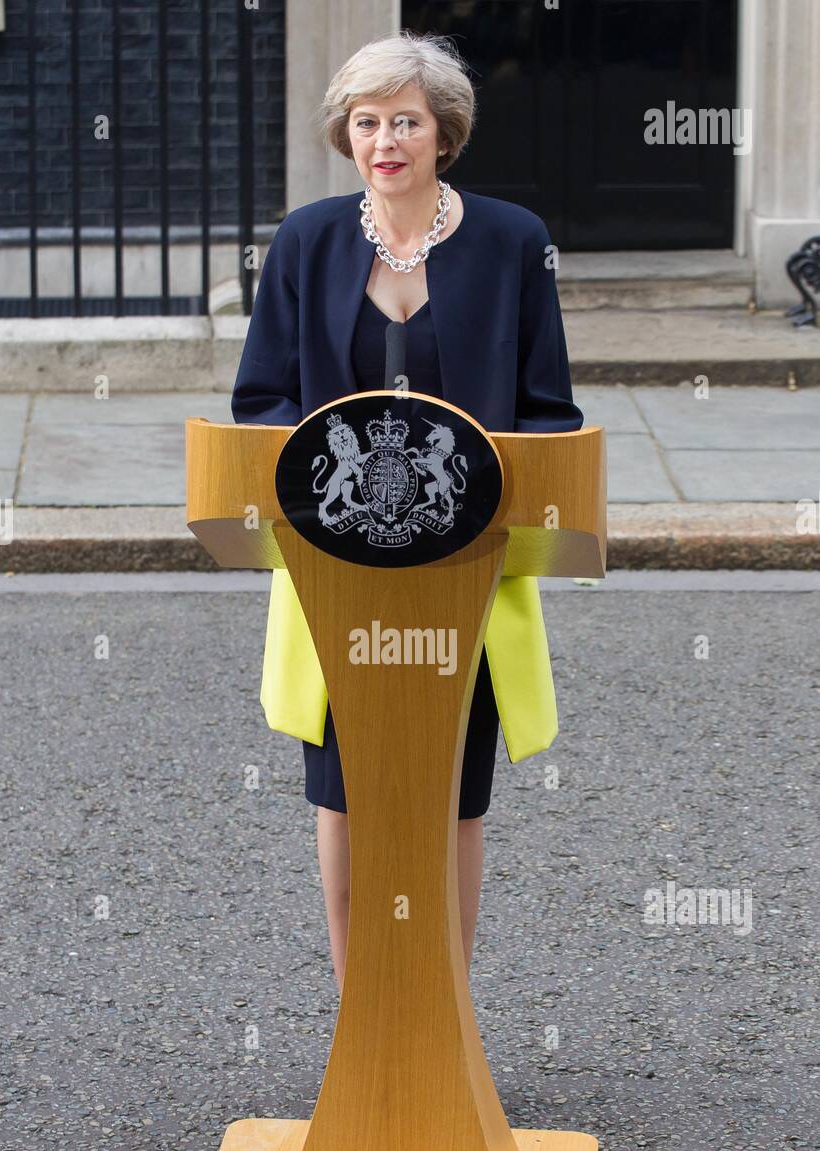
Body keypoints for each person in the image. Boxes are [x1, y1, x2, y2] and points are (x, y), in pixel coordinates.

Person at [231, 30, 583, 993]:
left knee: (451, 796)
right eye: (367, 120)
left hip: (465, 570)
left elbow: (550, 412)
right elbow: (259, 401)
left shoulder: (512, 240)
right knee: (343, 791)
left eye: (407, 121)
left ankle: (444, 1018)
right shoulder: (305, 239)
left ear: (445, 132)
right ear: (348, 133)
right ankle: (361, 1016)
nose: (385, 139)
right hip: (335, 566)